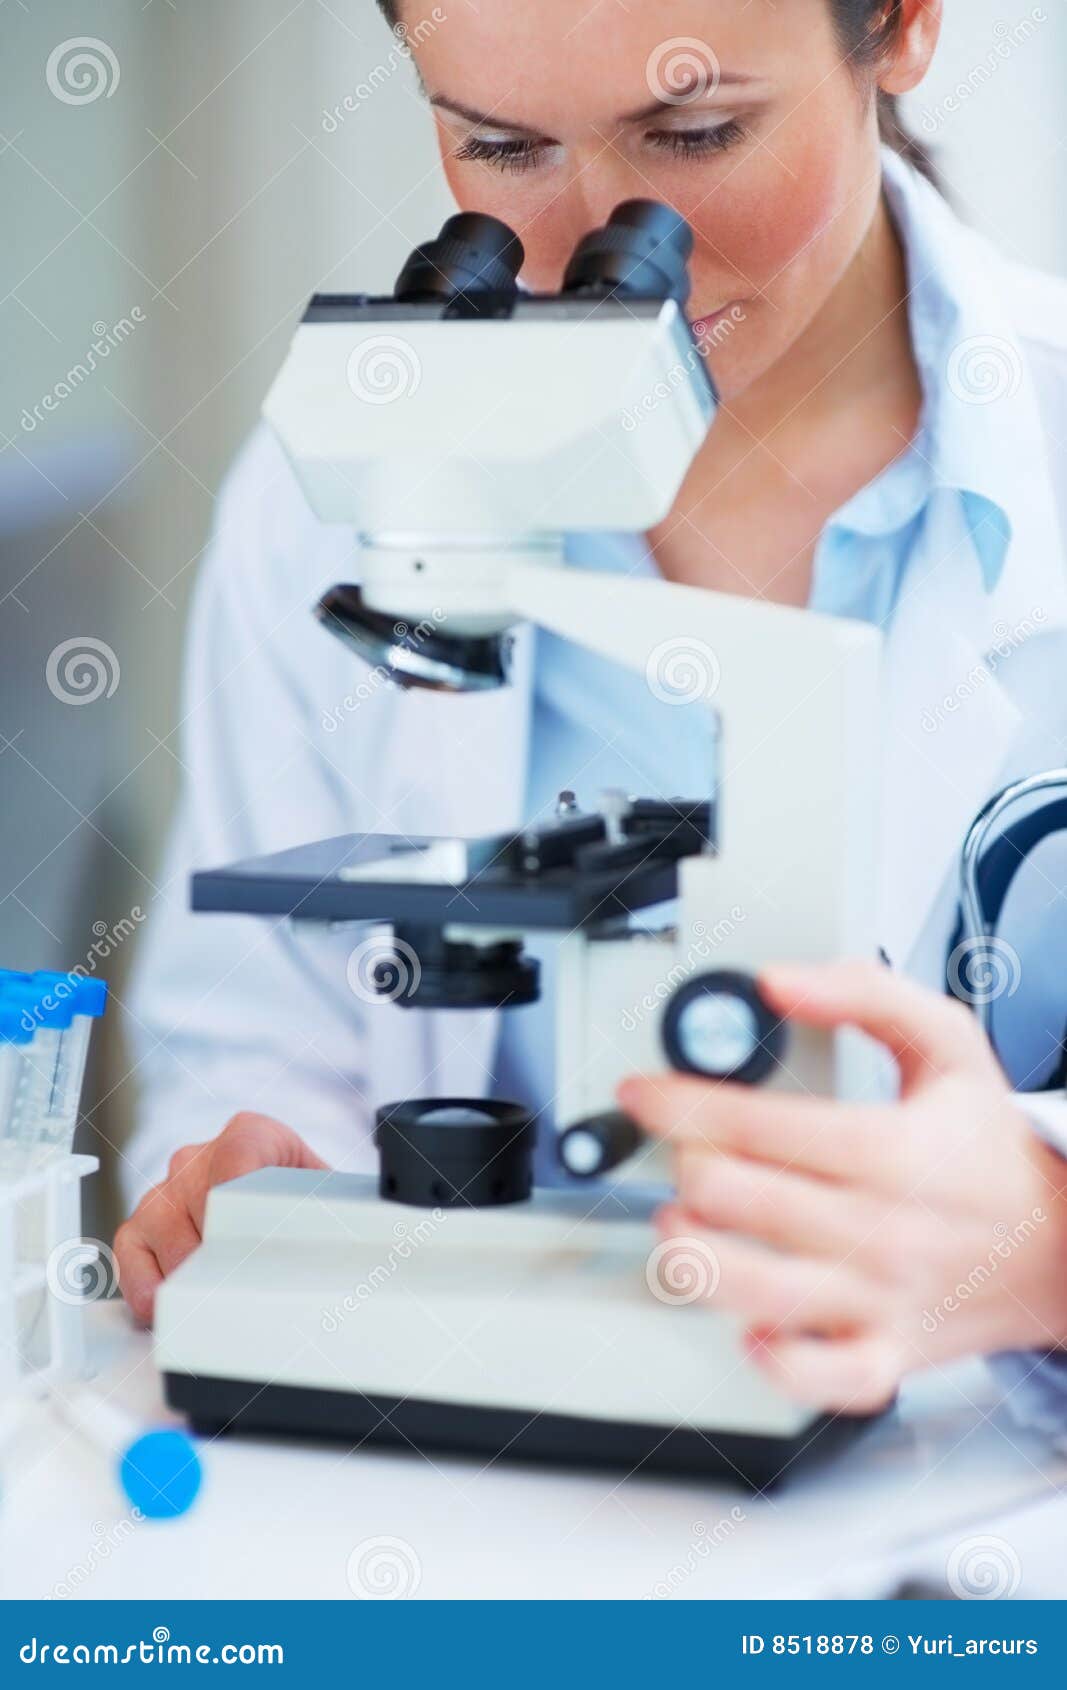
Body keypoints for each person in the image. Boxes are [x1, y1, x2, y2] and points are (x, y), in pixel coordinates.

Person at [117, 0, 1067, 1424]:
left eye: (694, 132)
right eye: (499, 147)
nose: (576, 258)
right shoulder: (342, 480)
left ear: (908, 24)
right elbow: (248, 1032)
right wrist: (251, 1179)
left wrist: (1044, 1240)